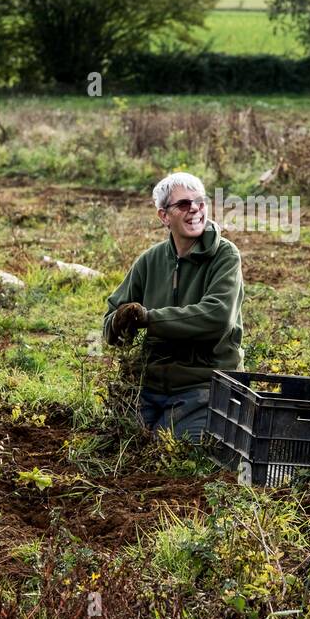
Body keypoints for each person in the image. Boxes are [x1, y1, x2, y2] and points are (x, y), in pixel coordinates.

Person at [103, 172, 244, 441]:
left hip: (204, 383)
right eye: (183, 204)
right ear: (164, 216)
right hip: (151, 385)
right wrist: (120, 322)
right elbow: (111, 319)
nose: (194, 209)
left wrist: (148, 319)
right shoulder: (150, 260)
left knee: (168, 450)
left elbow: (217, 317)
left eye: (200, 202)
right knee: (123, 442)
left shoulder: (225, 256)